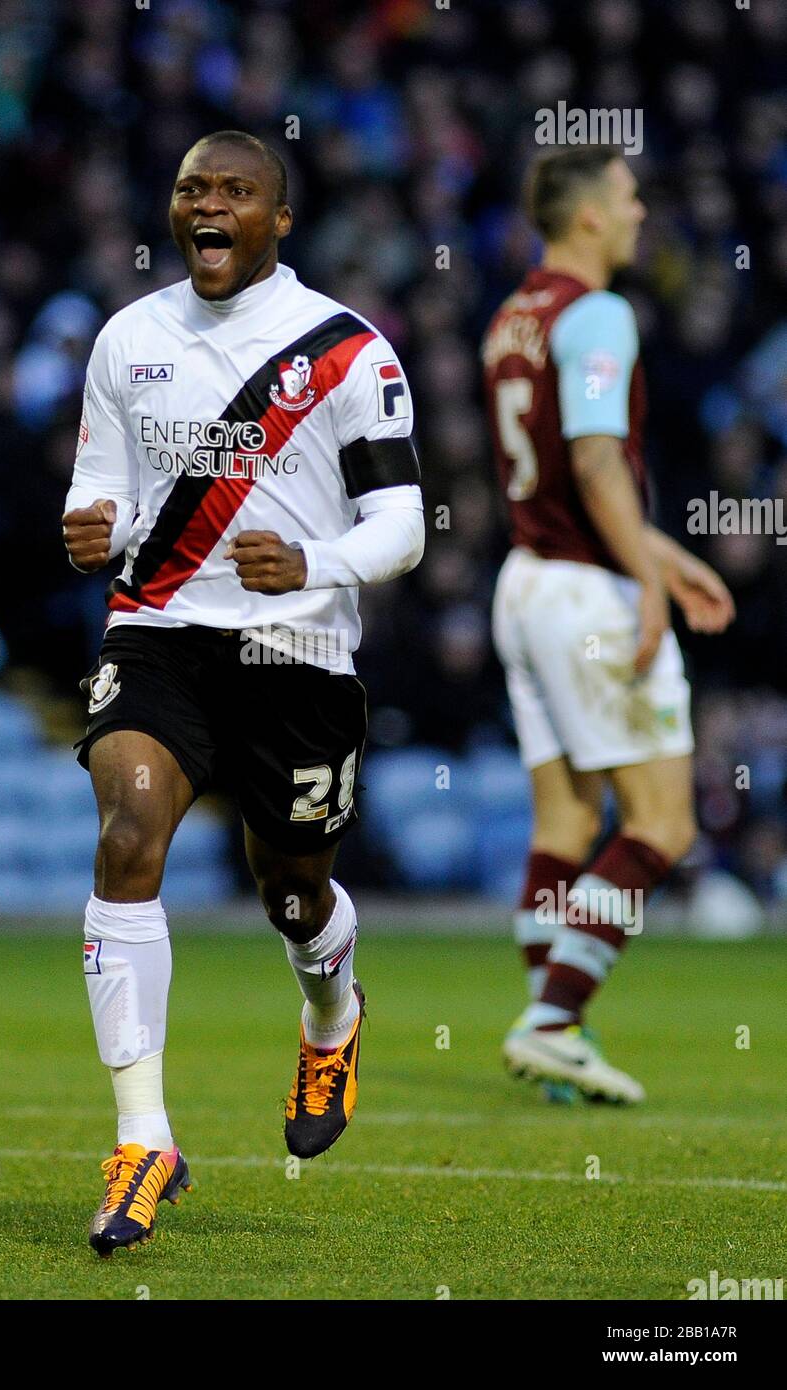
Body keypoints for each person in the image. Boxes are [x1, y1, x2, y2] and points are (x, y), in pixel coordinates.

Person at [62, 130, 424, 1253]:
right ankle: (143, 1137)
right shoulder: (129, 337)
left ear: (277, 219)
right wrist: (89, 531)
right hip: (160, 632)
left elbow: (403, 526)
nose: (206, 206)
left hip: (295, 650)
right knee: (128, 829)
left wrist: (309, 564)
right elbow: (102, 495)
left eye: (234, 192)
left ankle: (331, 1012)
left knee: (291, 890)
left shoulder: (348, 352)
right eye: (189, 189)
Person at [481, 145, 735, 1104]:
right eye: (629, 198)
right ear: (588, 215)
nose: (639, 214)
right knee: (662, 824)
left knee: (566, 819)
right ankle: (552, 1020)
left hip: (525, 581)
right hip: (588, 596)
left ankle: (557, 1037)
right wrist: (651, 586)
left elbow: (556, 484)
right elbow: (594, 466)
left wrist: (668, 558)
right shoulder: (600, 314)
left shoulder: (513, 319)